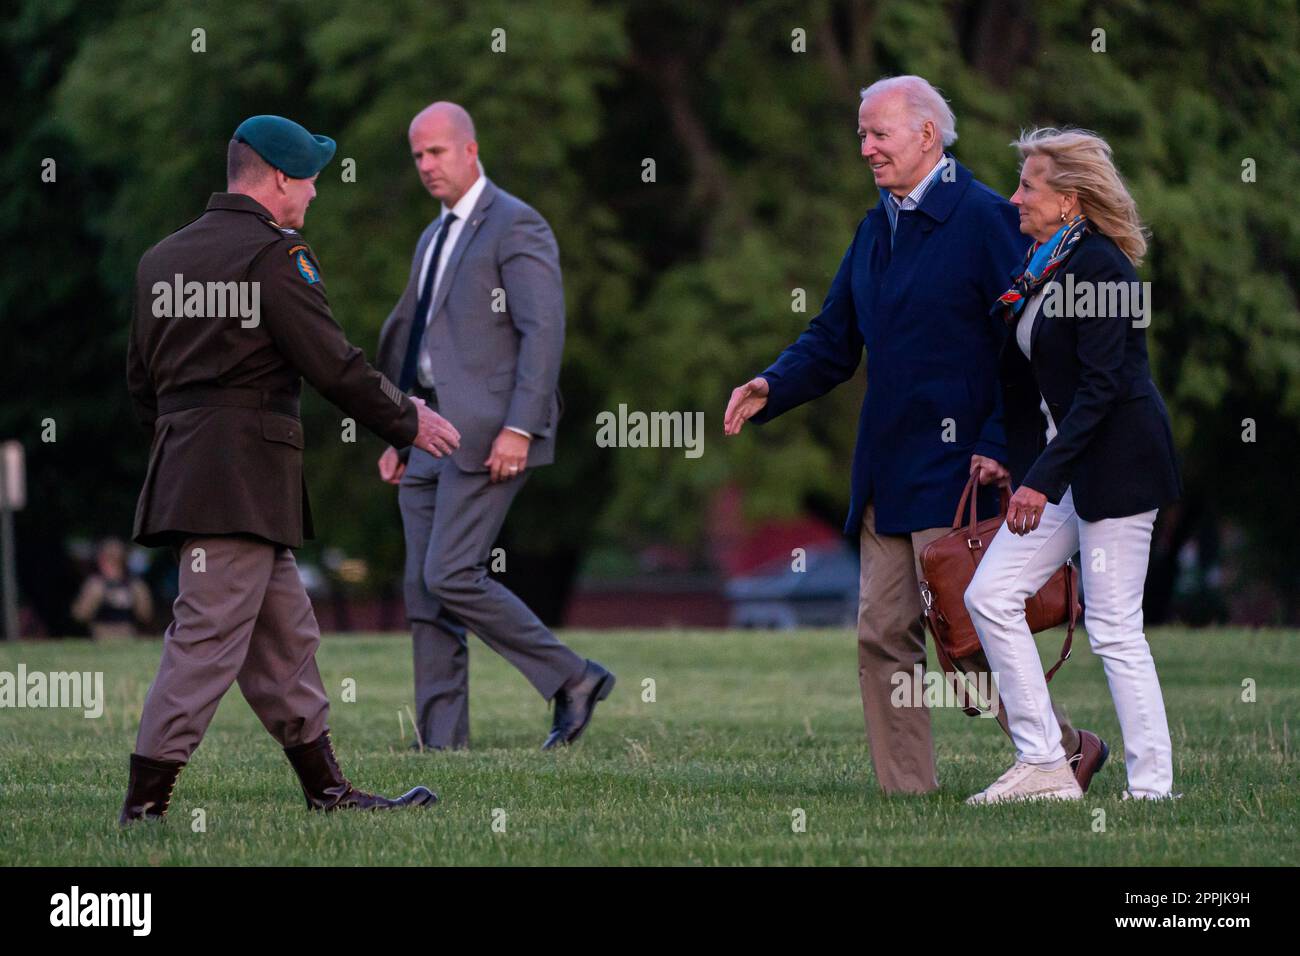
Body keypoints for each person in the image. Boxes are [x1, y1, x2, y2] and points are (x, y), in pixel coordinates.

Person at [724, 77, 1107, 795]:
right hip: (887, 468)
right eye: (862, 135)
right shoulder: (875, 228)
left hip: (962, 466)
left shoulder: (987, 217)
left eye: (879, 134)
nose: (866, 148)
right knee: (883, 632)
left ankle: (1059, 752)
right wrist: (773, 385)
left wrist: (1000, 438)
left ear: (927, 135)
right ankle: (908, 791)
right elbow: (834, 339)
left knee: (967, 632)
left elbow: (1031, 342)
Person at [120, 114, 460, 824]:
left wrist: (186, 453)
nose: (314, 191)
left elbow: (142, 384)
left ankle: (328, 792)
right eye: (309, 177)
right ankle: (144, 807)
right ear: (279, 177)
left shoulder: (160, 259)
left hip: (198, 475)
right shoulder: (276, 255)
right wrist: (409, 418)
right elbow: (332, 363)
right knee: (206, 641)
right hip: (244, 481)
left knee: (285, 640)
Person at [375, 102, 613, 751]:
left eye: (436, 152)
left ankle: (573, 677)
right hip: (425, 428)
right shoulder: (433, 236)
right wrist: (398, 431)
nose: (426, 165)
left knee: (451, 571)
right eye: (417, 156)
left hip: (487, 430)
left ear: (470, 150)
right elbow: (413, 336)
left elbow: (543, 331)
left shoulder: (516, 223)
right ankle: (441, 744)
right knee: (422, 589)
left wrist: (521, 428)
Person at [963, 128, 1181, 804]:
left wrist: (1039, 478)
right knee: (989, 595)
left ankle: (1153, 789)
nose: (1014, 197)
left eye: (1027, 186)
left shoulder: (1104, 269)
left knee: (1113, 628)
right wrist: (1017, 461)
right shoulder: (1046, 263)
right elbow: (1029, 382)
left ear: (1069, 200)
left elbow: (1102, 389)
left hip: (1116, 469)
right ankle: (1046, 764)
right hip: (1064, 468)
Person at [71, 538, 153, 639]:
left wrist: (134, 598)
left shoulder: (135, 585)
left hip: (128, 637)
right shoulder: (94, 584)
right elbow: (79, 616)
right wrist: (94, 599)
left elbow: (146, 616)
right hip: (100, 637)